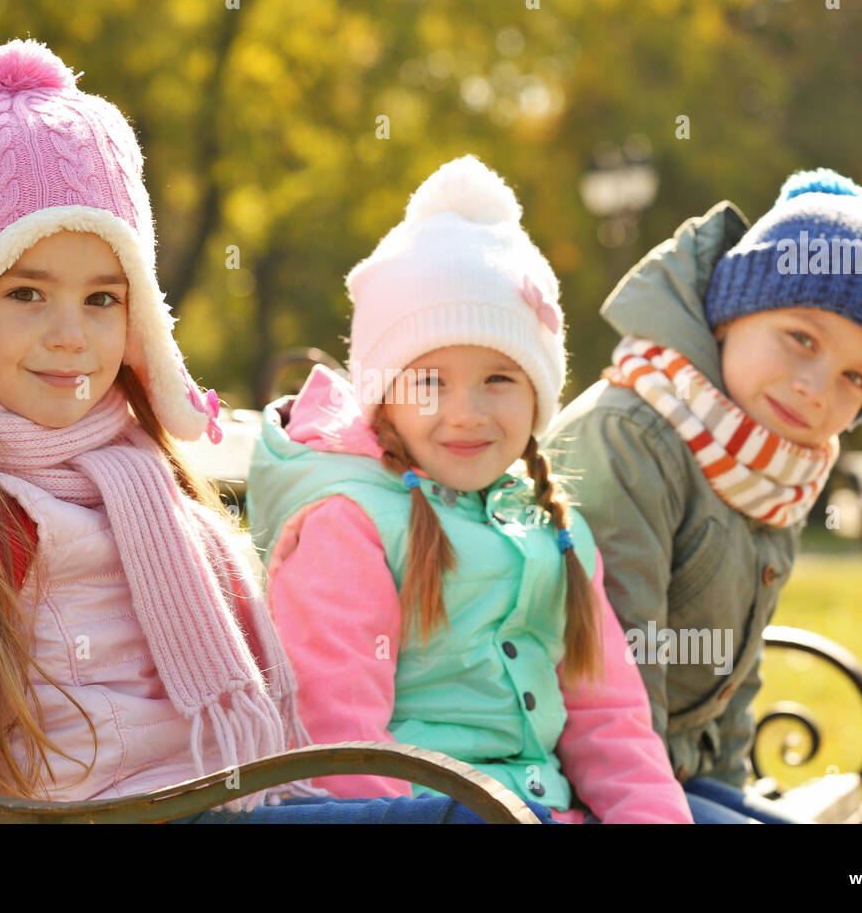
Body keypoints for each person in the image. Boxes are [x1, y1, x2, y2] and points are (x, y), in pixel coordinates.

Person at [0, 41, 524, 824]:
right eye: (25, 293)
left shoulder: (132, 462)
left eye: (102, 299)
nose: (70, 336)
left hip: (219, 802)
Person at [246, 155, 693, 823]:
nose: (466, 413)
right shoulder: (348, 520)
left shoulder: (552, 527)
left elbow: (610, 718)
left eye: (500, 379)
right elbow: (342, 745)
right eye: (430, 382)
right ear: (385, 397)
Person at [543, 169, 862, 822]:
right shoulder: (629, 438)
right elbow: (614, 671)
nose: (815, 388)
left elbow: (737, 673)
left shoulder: (774, 468)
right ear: (732, 311)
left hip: (676, 770)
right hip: (578, 777)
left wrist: (734, 790)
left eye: (854, 378)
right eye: (802, 338)